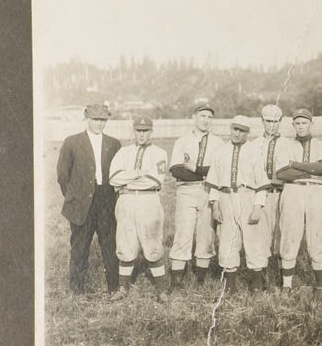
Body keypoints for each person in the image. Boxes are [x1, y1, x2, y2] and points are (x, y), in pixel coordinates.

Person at [56, 102, 121, 296]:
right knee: (80, 245)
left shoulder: (114, 143)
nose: (100, 123)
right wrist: (72, 197)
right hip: (81, 202)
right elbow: (62, 175)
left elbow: (118, 172)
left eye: (103, 120)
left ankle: (114, 287)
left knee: (110, 244)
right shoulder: (72, 142)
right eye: (95, 119)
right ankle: (76, 289)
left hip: (106, 200)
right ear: (87, 118)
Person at [106, 115, 170, 301]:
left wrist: (128, 179)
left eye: (145, 131)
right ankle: (123, 288)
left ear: (151, 131)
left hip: (148, 200)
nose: (142, 135)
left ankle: (161, 290)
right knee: (125, 243)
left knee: (152, 244)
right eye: (138, 131)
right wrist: (139, 173)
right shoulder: (123, 152)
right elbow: (114, 178)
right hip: (126, 202)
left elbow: (154, 180)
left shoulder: (159, 153)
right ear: (133, 131)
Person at [204, 116, 269, 291]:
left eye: (242, 130)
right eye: (235, 129)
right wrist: (215, 205)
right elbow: (214, 182)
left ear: (247, 133)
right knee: (227, 240)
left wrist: (257, 207)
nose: (237, 133)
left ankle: (256, 284)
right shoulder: (221, 151)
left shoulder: (255, 151)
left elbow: (262, 184)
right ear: (230, 129)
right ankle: (230, 285)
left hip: (247, 196)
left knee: (253, 240)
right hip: (226, 197)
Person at [273, 107, 322, 289]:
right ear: (293, 125)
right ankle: (287, 286)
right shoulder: (285, 145)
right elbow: (282, 173)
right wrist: (309, 171)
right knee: (289, 235)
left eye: (304, 123)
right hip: (292, 191)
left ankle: (320, 286)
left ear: (311, 124)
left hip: (315, 192)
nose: (300, 126)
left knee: (317, 236)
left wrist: (296, 165)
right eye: (297, 123)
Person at [167, 98, 217, 286]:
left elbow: (218, 171)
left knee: (206, 235)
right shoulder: (182, 141)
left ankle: (200, 281)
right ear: (194, 117)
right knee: (183, 234)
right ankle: (177, 283)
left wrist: (195, 169)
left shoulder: (218, 142)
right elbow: (176, 170)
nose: (206, 120)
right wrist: (206, 172)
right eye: (202, 116)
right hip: (186, 191)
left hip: (208, 191)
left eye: (209, 117)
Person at [249, 104, 289, 289]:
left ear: (280, 122)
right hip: (261, 194)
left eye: (276, 121)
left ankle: (284, 279)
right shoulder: (254, 144)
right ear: (262, 121)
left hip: (282, 193)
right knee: (260, 237)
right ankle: (261, 282)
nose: (272, 125)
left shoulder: (288, 143)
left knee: (282, 236)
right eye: (268, 121)